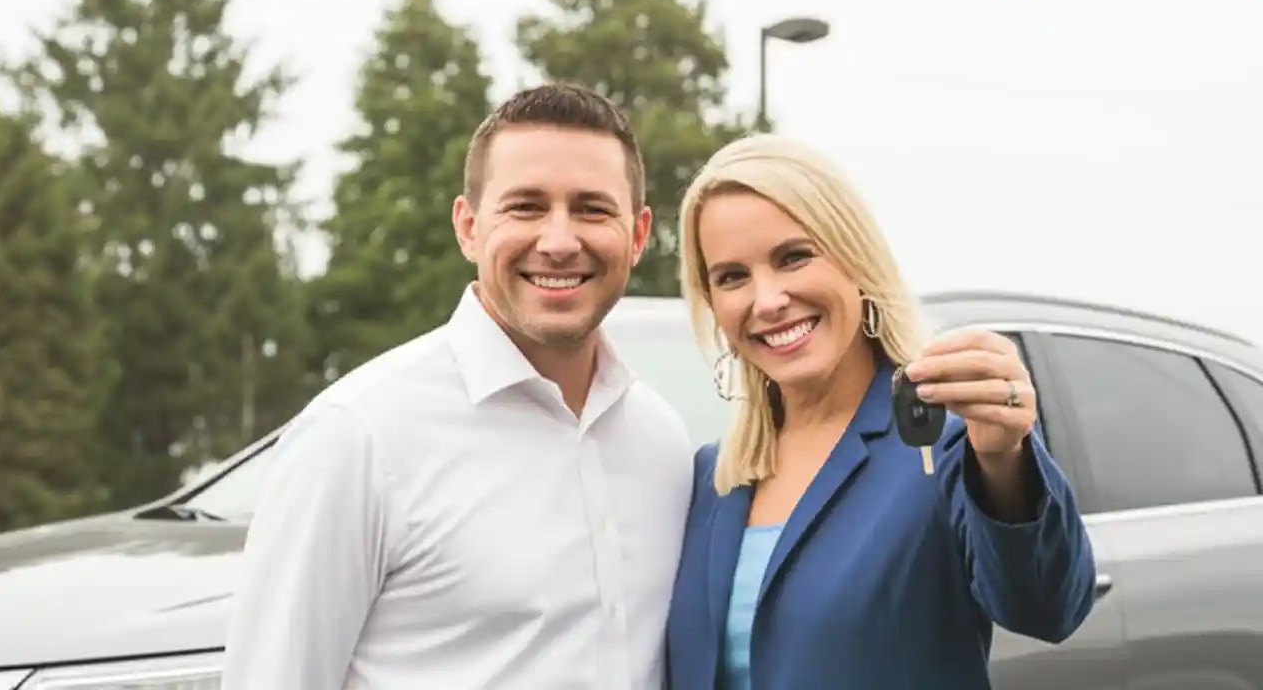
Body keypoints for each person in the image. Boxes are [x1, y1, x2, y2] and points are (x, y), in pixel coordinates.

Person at [221, 83, 694, 689]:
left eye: (592, 209)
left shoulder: (663, 445)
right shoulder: (359, 439)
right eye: (525, 207)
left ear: (637, 233)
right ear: (468, 227)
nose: (557, 241)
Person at [663, 133, 1097, 689]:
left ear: (856, 260)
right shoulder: (710, 478)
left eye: (793, 257)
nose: (767, 300)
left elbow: (1047, 608)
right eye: (732, 277)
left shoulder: (945, 444)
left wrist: (1005, 456)